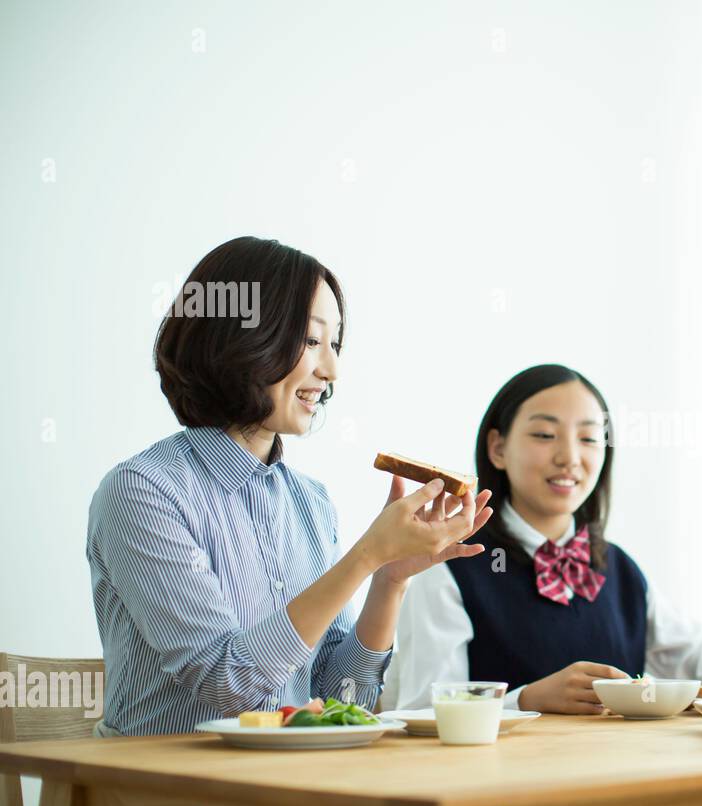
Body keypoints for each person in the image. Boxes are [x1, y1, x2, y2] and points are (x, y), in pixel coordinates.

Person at [87, 236, 492, 735]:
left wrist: (389, 578)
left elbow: (340, 696)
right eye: (311, 340)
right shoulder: (143, 492)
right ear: (236, 336)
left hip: (284, 789)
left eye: (336, 344)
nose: (331, 370)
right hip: (164, 795)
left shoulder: (309, 501)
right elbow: (224, 685)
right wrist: (364, 556)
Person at [382, 364, 702, 713]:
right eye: (544, 435)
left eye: (588, 437)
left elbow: (698, 656)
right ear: (496, 446)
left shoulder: (617, 569)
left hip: (616, 791)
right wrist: (527, 700)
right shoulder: (448, 564)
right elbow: (422, 712)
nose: (570, 457)